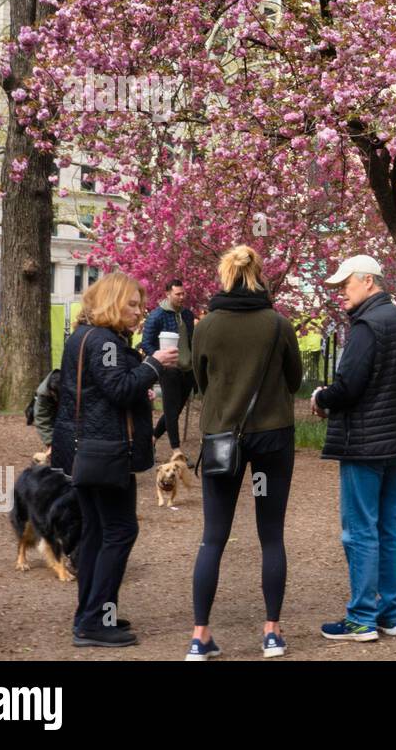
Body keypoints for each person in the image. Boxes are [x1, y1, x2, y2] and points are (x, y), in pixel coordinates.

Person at [186, 246, 302, 661]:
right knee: (271, 536)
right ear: (258, 275)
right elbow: (295, 379)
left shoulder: (206, 326)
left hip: (221, 441)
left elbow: (199, 380)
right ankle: (271, 632)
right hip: (271, 438)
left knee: (212, 538)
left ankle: (200, 636)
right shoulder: (278, 324)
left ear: (225, 275)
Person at [51, 272, 177, 647]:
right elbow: (119, 389)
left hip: (84, 450)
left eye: (140, 305)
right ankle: (93, 622)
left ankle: (94, 615)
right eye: (132, 304)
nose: (139, 312)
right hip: (105, 452)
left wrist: (140, 374)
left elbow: (98, 391)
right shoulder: (104, 341)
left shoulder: (82, 336)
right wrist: (152, 365)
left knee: (95, 532)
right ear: (111, 302)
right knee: (120, 531)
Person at [313, 255, 396, 643]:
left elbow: (349, 386)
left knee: (360, 531)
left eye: (345, 285)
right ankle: (392, 614)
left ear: (368, 282)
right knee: (390, 526)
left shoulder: (366, 326)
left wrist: (321, 396)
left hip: (364, 441)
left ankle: (361, 619)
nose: (341, 292)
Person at [141, 279, 196, 452]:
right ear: (168, 294)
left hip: (188, 370)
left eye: (183, 293)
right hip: (169, 370)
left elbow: (191, 341)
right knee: (171, 411)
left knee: (174, 411)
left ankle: (153, 438)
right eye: (178, 294)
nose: (182, 297)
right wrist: (160, 360)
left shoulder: (187, 315)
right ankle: (176, 451)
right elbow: (146, 344)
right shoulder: (157, 316)